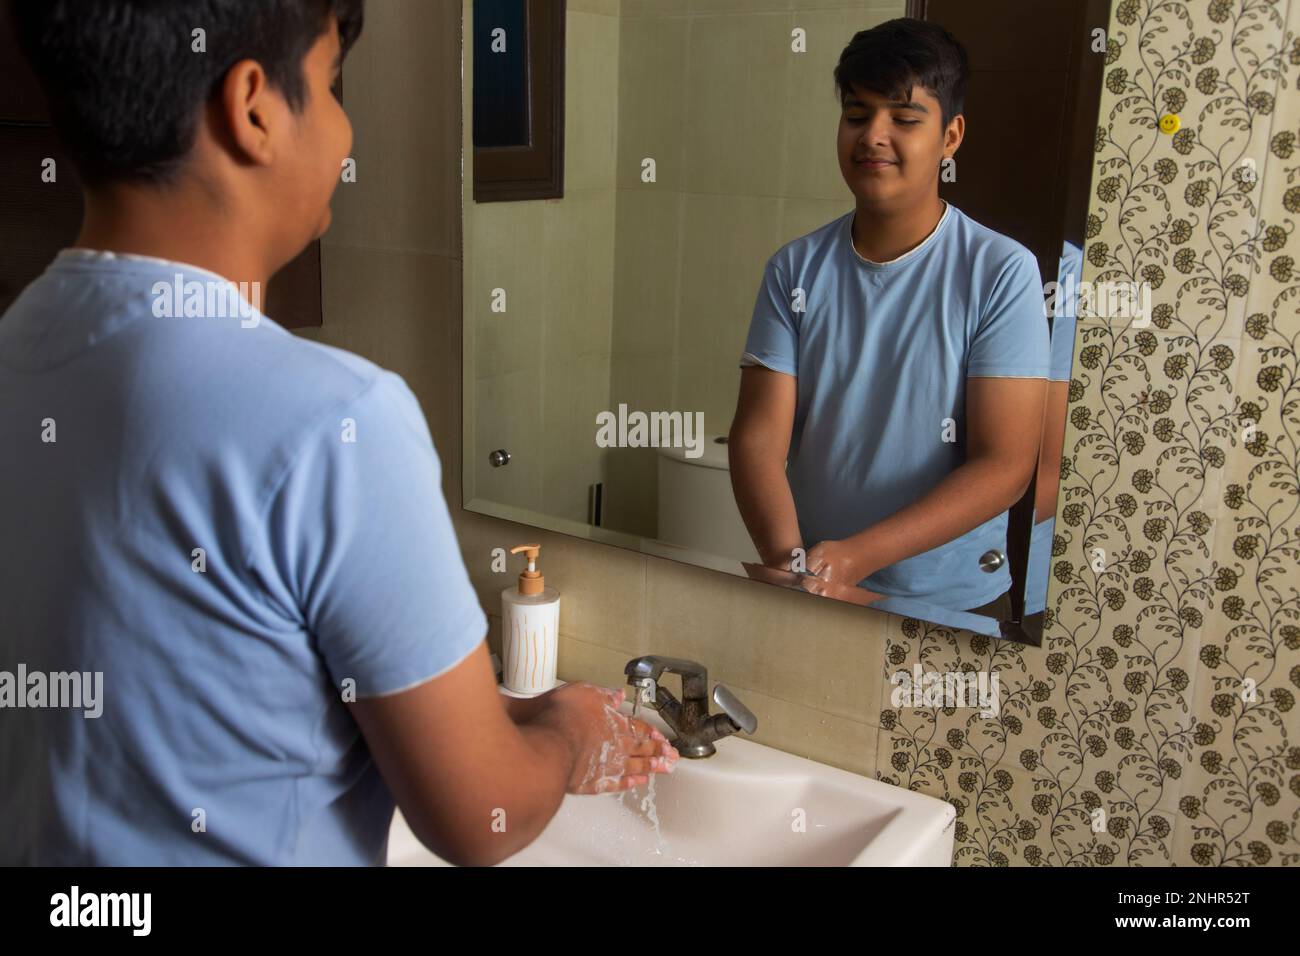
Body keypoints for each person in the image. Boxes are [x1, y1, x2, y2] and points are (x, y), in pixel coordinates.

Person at [0, 0, 675, 867]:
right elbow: (481, 817)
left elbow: (183, 701)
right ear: (253, 109)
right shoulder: (335, 423)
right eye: (327, 86)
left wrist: (482, 714)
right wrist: (567, 734)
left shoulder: (19, 350)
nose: (346, 132)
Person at [729, 18, 1050, 615]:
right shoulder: (793, 268)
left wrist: (853, 557)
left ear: (951, 137)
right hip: (812, 586)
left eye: (904, 119)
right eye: (857, 114)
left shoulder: (1001, 271)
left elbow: (1005, 463)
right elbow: (756, 439)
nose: (874, 136)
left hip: (949, 601)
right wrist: (795, 564)